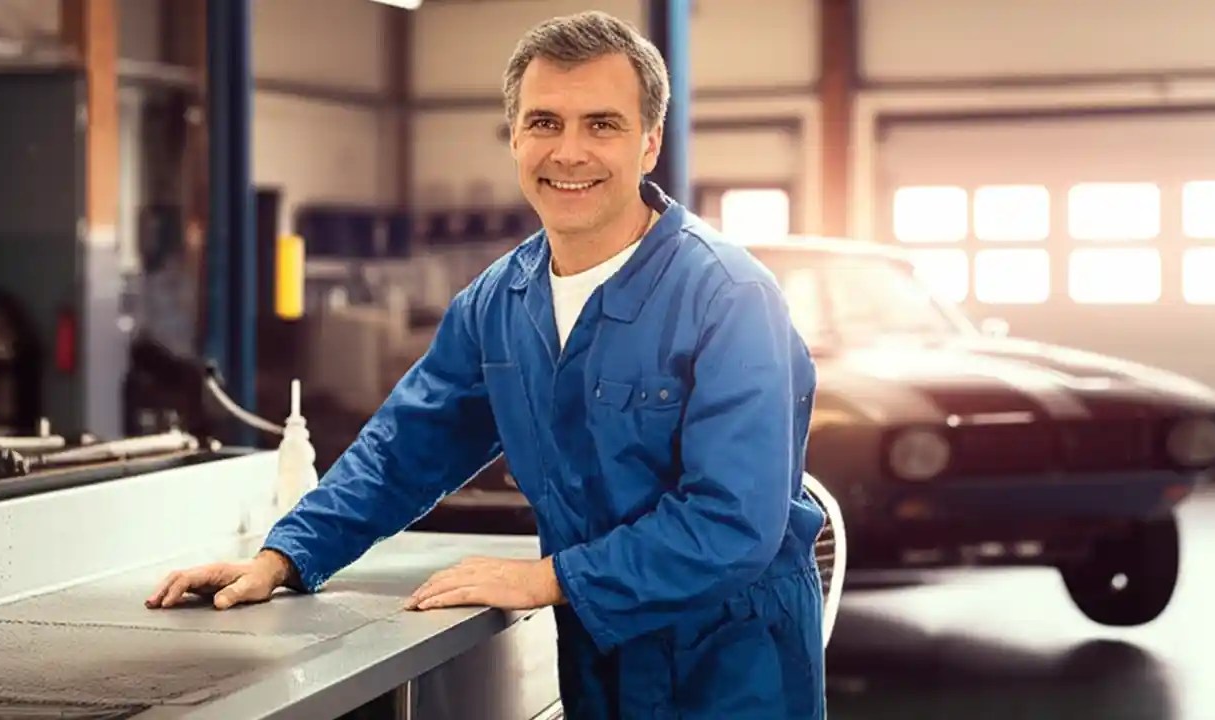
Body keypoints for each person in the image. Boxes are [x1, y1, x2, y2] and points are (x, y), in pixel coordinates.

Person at [146, 10, 825, 719]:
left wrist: (548, 578)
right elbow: (405, 449)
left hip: (735, 668)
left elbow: (733, 522)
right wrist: (282, 558)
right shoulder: (500, 302)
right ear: (514, 138)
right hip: (602, 659)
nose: (569, 152)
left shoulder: (729, 297)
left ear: (650, 143)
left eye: (602, 124)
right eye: (543, 123)